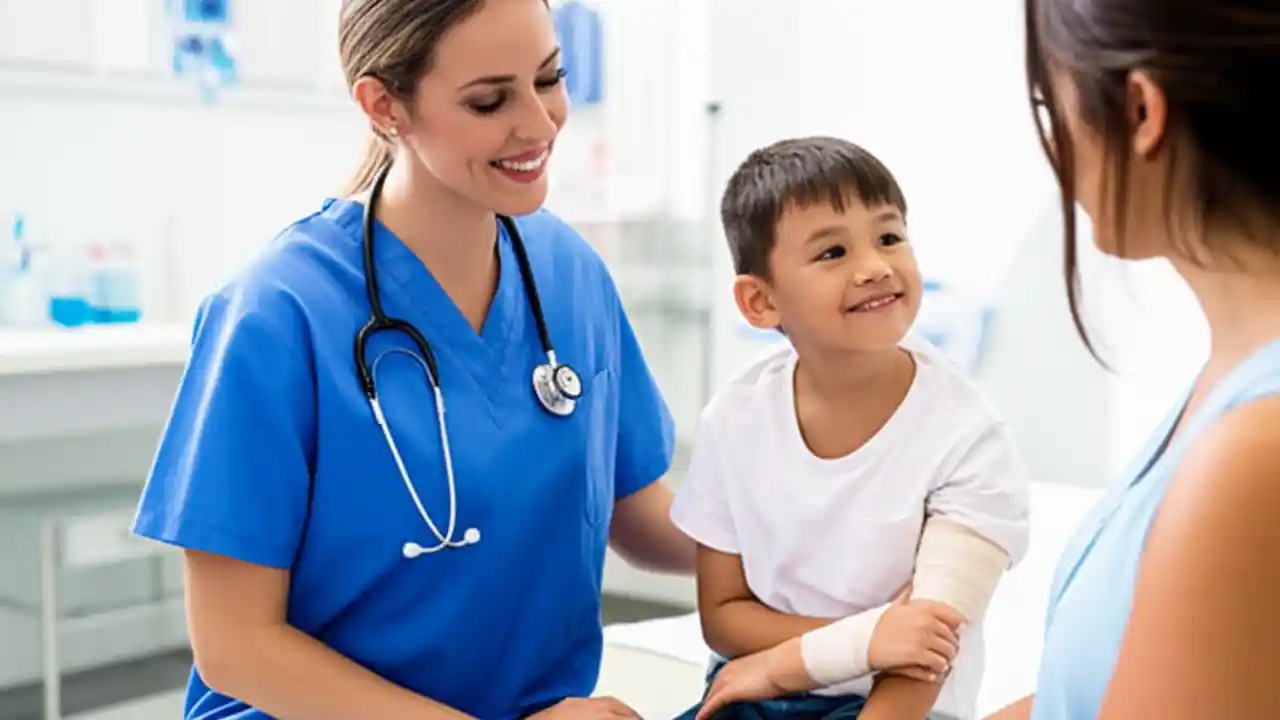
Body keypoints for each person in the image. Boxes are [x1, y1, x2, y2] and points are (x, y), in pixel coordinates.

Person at [129, 1, 696, 718]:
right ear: (384, 104)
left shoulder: (569, 273)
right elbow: (236, 646)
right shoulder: (279, 310)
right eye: (489, 100)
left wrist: (822, 550)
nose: (540, 122)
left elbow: (636, 511)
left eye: (550, 79)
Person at [984, 1, 1280, 719]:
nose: (1054, 149)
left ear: (1143, 111)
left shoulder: (1254, 453)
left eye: (1050, 109)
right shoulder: (1231, 384)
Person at [668, 136, 1031, 720]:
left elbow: (926, 654)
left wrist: (876, 647)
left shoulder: (969, 436)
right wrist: (869, 639)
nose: (875, 267)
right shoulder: (735, 419)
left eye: (889, 237)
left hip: (898, 704)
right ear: (761, 302)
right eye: (832, 253)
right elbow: (724, 615)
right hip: (756, 689)